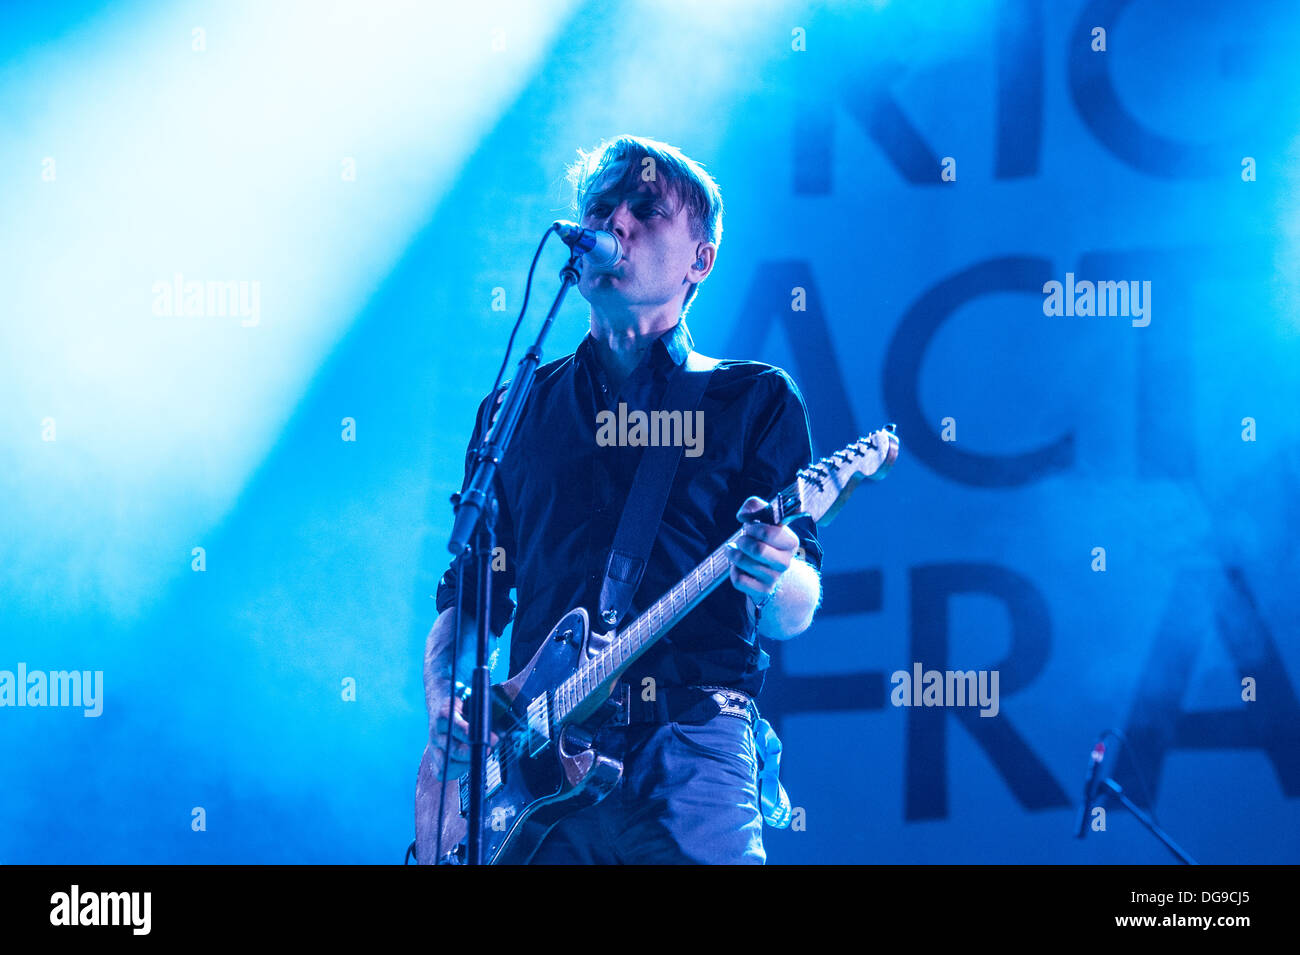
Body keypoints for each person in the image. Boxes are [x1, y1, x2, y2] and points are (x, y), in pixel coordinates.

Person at [424, 134, 823, 864]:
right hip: (532, 769)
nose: (616, 224)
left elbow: (792, 608)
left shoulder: (752, 400)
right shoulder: (516, 410)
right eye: (601, 207)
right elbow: (470, 598)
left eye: (645, 209)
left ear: (700, 258)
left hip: (690, 744)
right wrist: (447, 701)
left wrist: (776, 571)